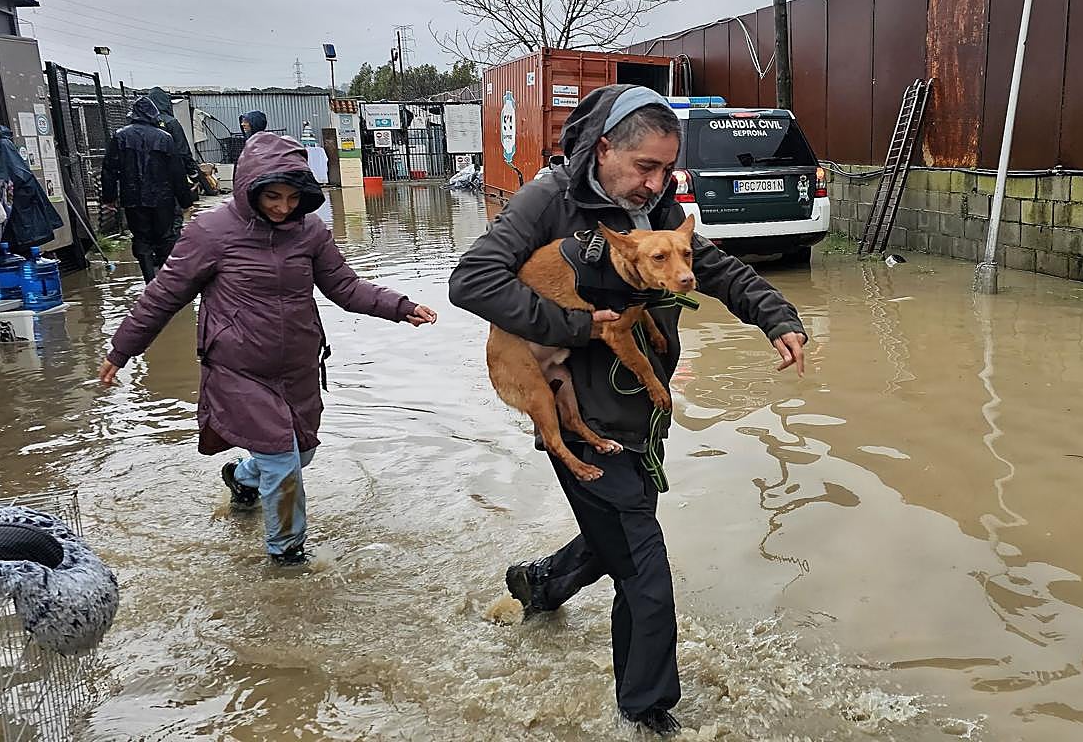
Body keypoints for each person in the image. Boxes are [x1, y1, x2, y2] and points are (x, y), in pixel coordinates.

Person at [447, 85, 808, 736]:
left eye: (668, 168)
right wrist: (575, 326)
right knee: (645, 571)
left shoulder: (653, 205)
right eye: (646, 166)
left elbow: (716, 268)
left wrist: (777, 317)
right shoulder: (548, 200)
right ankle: (646, 710)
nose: (657, 182)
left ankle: (541, 584)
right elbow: (471, 280)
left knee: (618, 534)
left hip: (639, 412)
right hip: (580, 411)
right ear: (605, 146)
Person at [98, 133, 437, 566]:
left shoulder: (310, 232)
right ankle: (287, 557)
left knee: (302, 452)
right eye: (273, 196)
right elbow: (163, 295)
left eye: (293, 197)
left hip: (298, 369)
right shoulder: (211, 233)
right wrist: (122, 349)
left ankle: (241, 479)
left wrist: (399, 306)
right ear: (248, 188)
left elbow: (345, 287)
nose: (282, 207)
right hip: (239, 371)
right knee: (281, 461)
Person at [101, 96, 196, 283]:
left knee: (142, 238)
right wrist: (186, 201)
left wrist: (109, 198)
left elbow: (109, 170)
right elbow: (177, 172)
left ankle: (149, 282)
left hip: (133, 199)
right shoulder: (165, 138)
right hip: (163, 199)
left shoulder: (120, 136)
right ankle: (167, 281)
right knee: (166, 237)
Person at [0, 109, 63, 254]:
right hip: (15, 200)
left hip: (17, 200)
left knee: (21, 246)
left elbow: (11, 174)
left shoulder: (0, 144)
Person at [147, 87, 201, 243]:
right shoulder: (171, 123)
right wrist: (193, 173)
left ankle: (154, 254)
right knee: (173, 216)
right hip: (169, 179)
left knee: (151, 221)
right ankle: (172, 252)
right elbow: (183, 151)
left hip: (145, 181)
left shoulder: (140, 127)